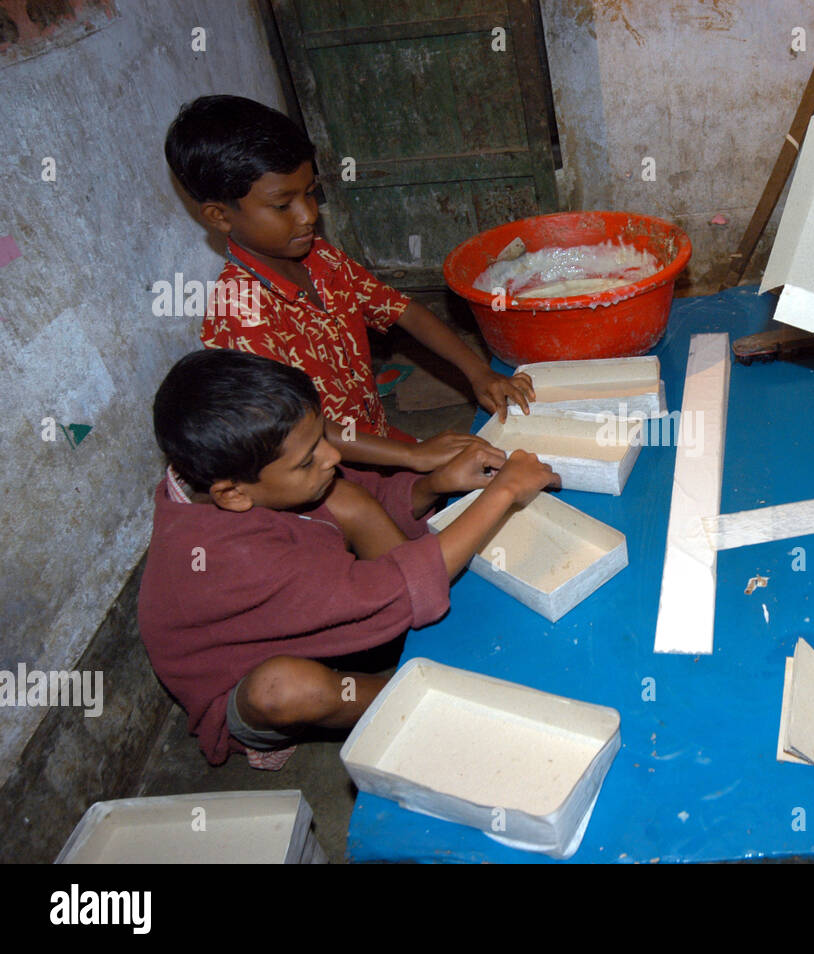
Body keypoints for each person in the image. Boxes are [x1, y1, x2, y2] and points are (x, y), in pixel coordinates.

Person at [138, 349, 556, 766]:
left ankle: (421, 598)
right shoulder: (233, 560)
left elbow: (365, 494)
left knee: (344, 495)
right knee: (286, 689)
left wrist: (432, 485)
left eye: (323, 437)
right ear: (233, 494)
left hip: (304, 605)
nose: (333, 456)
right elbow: (376, 592)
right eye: (307, 461)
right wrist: (502, 494)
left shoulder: (241, 476)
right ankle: (438, 699)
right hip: (243, 683)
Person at [164, 93, 532, 475]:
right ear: (219, 217)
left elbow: (403, 310)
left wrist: (478, 372)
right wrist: (412, 458)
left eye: (310, 193)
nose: (308, 215)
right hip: (323, 475)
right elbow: (295, 432)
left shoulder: (320, 258)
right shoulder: (239, 316)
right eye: (282, 205)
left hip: (379, 440)